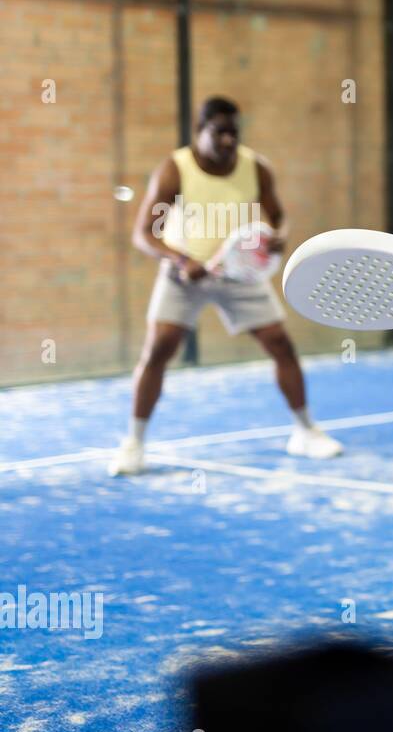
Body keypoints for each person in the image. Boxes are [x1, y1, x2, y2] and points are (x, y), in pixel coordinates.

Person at [108, 96, 342, 476]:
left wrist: (278, 238)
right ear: (199, 132)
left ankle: (305, 432)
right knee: (158, 350)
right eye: (219, 132)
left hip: (240, 274)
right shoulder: (174, 169)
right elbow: (144, 234)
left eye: (234, 132)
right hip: (184, 275)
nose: (228, 141)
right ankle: (133, 444)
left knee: (280, 343)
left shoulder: (256, 168)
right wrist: (183, 261)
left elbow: (279, 217)